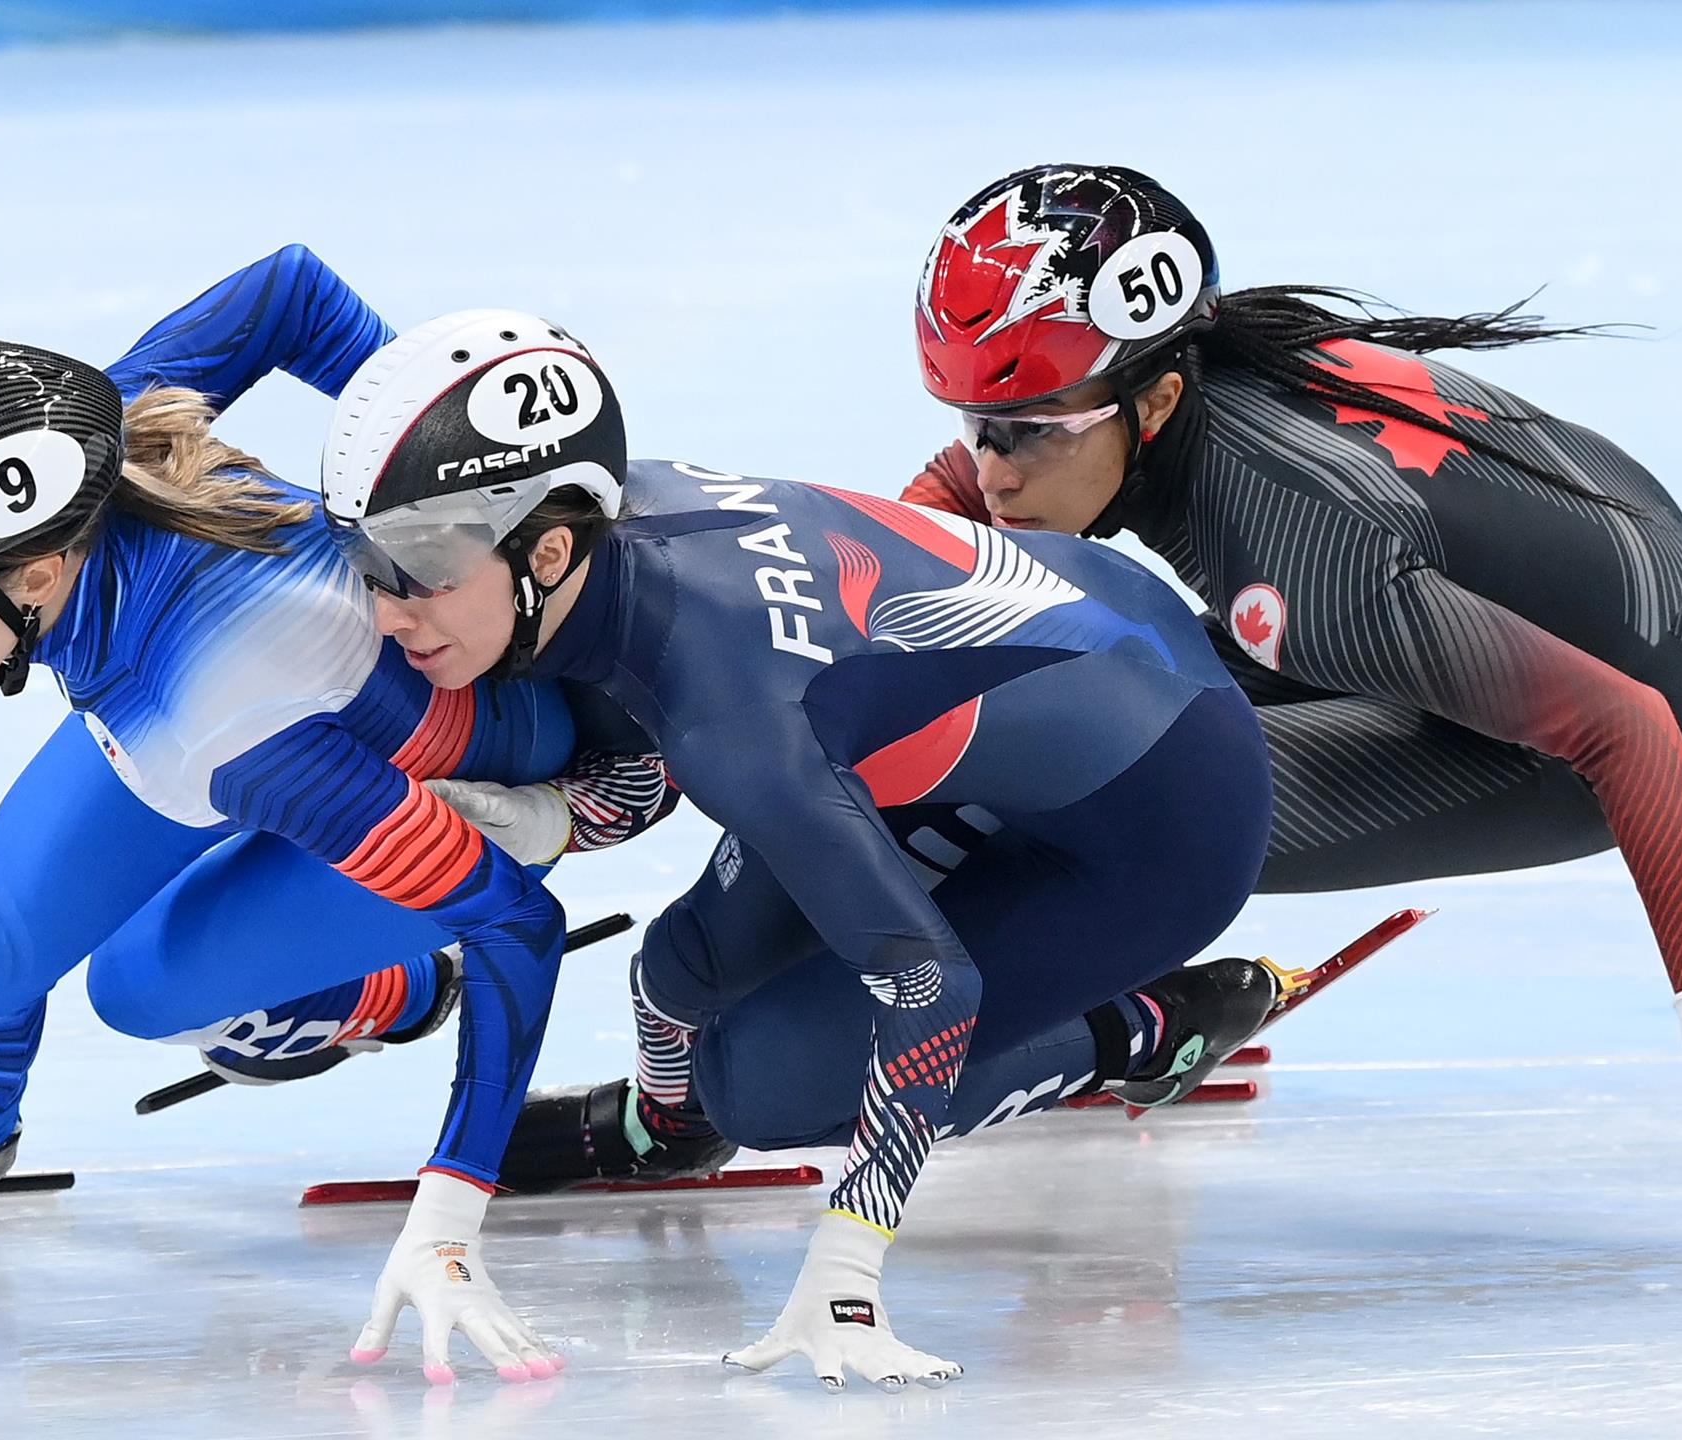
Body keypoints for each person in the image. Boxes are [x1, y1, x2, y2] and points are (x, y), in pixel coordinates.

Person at [0, 249, 667, 1386]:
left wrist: (453, 1200)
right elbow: (290, 294)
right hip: (211, 711)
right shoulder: (93, 436)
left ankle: (395, 991)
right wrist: (424, 500)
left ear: (32, 573)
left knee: (144, 988)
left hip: (443, 751)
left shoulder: (218, 712)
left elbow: (516, 923)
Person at [326, 308, 1277, 1389]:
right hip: (1028, 696)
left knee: (770, 1091)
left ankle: (1138, 1030)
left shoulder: (737, 716)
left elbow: (930, 983)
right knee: (678, 963)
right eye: (364, 559)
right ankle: (667, 1127)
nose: (386, 608)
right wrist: (554, 816)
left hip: (1165, 820)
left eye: (417, 569)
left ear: (545, 550)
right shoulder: (597, 529)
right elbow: (635, 755)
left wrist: (847, 1262)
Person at [898, 163, 1682, 1177]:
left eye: (1028, 433)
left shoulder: (1306, 554)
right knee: (1040, 716)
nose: (993, 472)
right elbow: (941, 511)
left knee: (1100, 793)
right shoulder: (1185, 377)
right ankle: (1098, 975)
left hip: (1604, 736)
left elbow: (1626, 728)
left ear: (1154, 402)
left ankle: (1141, 1023)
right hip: (1518, 605)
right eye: (974, 426)